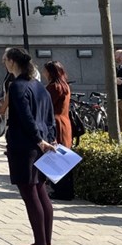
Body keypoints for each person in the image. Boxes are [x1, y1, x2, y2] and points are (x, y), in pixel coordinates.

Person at [3, 47, 57, 245]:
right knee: (40, 192)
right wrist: (48, 139)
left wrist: (37, 139)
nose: (4, 63)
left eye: (5, 60)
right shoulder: (39, 86)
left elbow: (26, 118)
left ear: (12, 62)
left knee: (30, 194)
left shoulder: (17, 86)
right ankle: (46, 243)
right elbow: (49, 117)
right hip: (42, 144)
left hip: (25, 146)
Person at [43, 61, 74, 200]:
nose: (44, 73)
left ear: (51, 72)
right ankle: (65, 190)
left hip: (56, 123)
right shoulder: (64, 85)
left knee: (57, 156)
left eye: (45, 70)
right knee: (63, 156)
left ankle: (61, 191)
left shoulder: (54, 87)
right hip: (64, 122)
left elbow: (45, 106)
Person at [116, 49, 122, 132]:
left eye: (116, 55)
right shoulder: (119, 68)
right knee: (121, 122)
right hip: (119, 99)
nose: (115, 58)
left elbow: (121, 82)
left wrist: (114, 79)